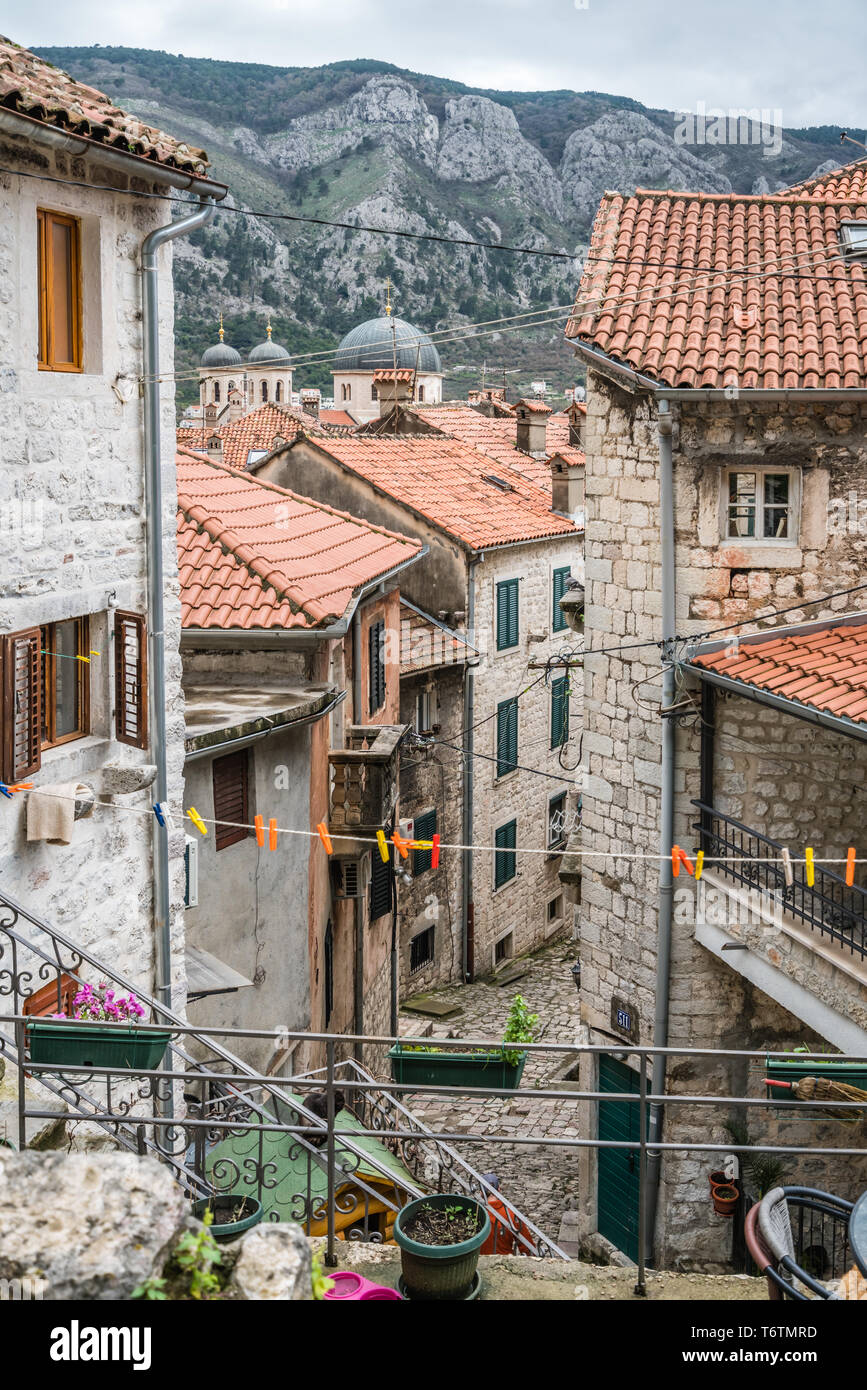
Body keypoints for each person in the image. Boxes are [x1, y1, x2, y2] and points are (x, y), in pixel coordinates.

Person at [478, 1172, 533, 1255]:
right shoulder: (511, 1214)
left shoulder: (476, 1213)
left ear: (481, 1193)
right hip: (504, 1261)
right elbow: (528, 1247)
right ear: (499, 1190)